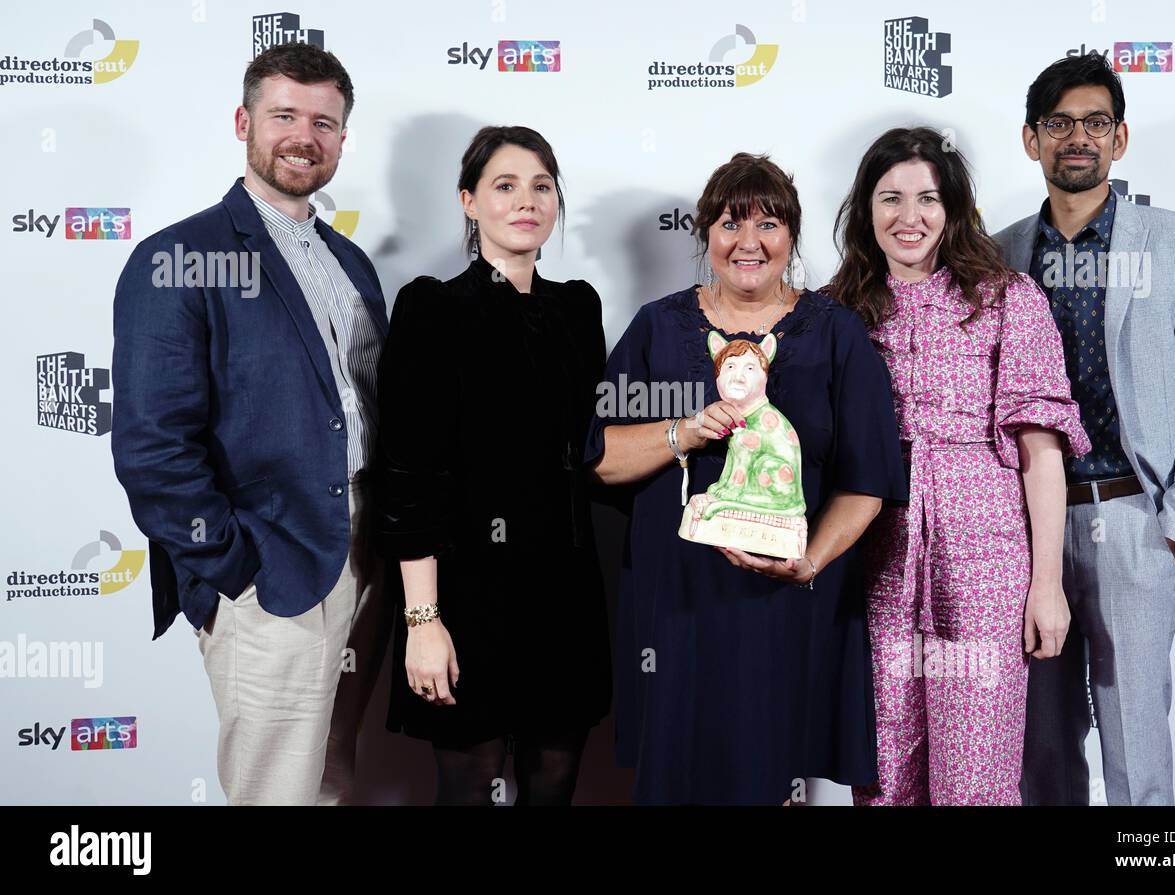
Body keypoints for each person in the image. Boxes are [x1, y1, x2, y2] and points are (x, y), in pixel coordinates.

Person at [111, 42, 388, 805]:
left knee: (332, 776)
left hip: (363, 556)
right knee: (276, 792)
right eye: (285, 116)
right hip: (272, 567)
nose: (305, 136)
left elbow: (365, 404)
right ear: (244, 122)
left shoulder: (351, 263)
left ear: (341, 138)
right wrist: (235, 571)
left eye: (325, 122)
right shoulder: (180, 256)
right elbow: (151, 446)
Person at [588, 152, 908, 805]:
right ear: (706, 232)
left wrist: (811, 560)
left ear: (792, 236)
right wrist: (683, 430)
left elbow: (867, 482)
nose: (749, 242)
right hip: (677, 600)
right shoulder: (658, 328)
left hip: (787, 598)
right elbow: (599, 455)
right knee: (676, 776)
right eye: (731, 223)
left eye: (769, 224)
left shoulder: (835, 333)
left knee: (773, 775)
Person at [996, 54, 1175, 805]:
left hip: (1135, 520)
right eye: (1060, 123)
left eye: (1096, 123)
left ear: (1121, 138)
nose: (1079, 137)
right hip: (1025, 532)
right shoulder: (1000, 253)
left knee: (1136, 752)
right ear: (1031, 139)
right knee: (1039, 751)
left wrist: (1173, 530)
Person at [828, 127, 1090, 805]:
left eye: (927, 198)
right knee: (882, 776)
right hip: (874, 562)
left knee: (975, 777)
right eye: (890, 198)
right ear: (866, 210)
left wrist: (1047, 584)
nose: (908, 217)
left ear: (952, 210)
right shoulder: (835, 314)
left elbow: (1042, 453)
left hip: (985, 567)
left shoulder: (1008, 298)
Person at [376, 126, 612, 806]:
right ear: (469, 202)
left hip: (565, 595)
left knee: (555, 785)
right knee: (469, 788)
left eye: (542, 186)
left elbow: (594, 451)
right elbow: (408, 473)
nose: (526, 200)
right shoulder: (431, 307)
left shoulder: (578, 308)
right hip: (468, 594)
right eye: (504, 185)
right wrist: (424, 620)